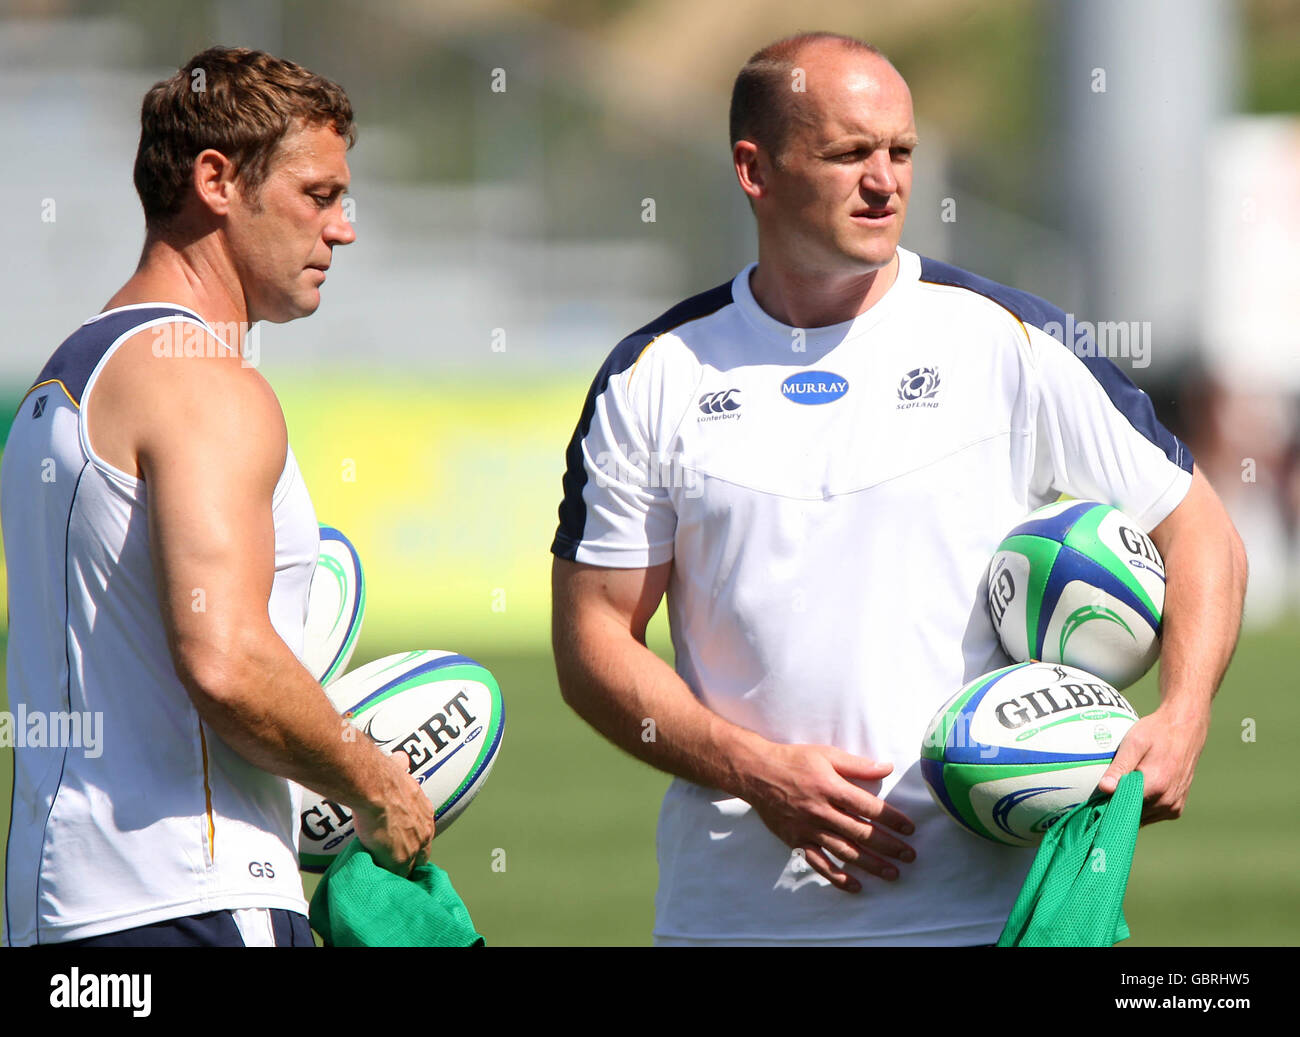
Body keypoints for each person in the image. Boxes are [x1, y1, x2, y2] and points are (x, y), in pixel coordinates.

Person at [550, 32, 1248, 946]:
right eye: (849, 153)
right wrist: (754, 768)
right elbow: (593, 635)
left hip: (986, 917)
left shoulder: (1008, 341)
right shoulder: (654, 376)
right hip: (733, 921)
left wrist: (1185, 712)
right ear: (754, 170)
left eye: (902, 151)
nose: (885, 181)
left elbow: (1201, 529)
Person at [1, 47, 434, 947]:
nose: (342, 230)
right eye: (318, 196)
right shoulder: (205, 382)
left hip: (55, 914)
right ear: (217, 180)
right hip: (189, 901)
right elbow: (228, 659)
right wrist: (375, 780)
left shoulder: (60, 383)